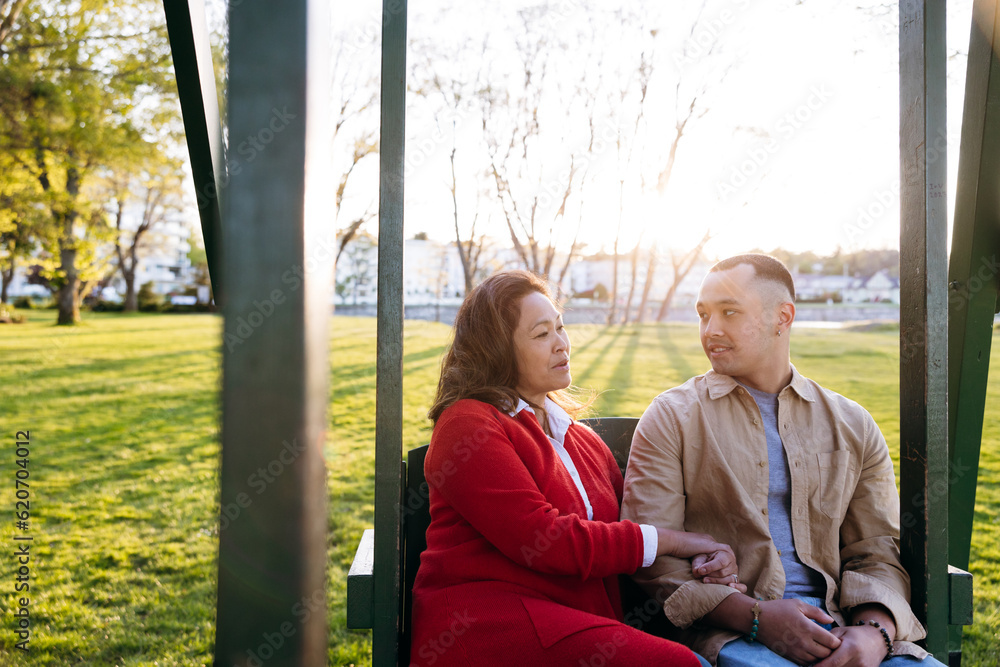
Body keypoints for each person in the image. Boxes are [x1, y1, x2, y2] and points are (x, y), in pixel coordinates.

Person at [620, 254, 947, 667]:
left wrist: (873, 634)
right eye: (703, 314)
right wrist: (759, 619)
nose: (710, 330)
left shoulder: (852, 423)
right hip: (733, 634)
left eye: (730, 312)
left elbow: (877, 550)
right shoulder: (673, 417)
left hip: (843, 628)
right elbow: (655, 556)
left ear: (783, 316)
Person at [410, 269, 744, 667]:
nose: (562, 344)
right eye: (541, 334)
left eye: (561, 327)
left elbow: (631, 528)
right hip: (486, 628)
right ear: (497, 349)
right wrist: (678, 542)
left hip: (578, 627)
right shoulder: (469, 425)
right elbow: (546, 540)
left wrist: (705, 561)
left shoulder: (580, 440)